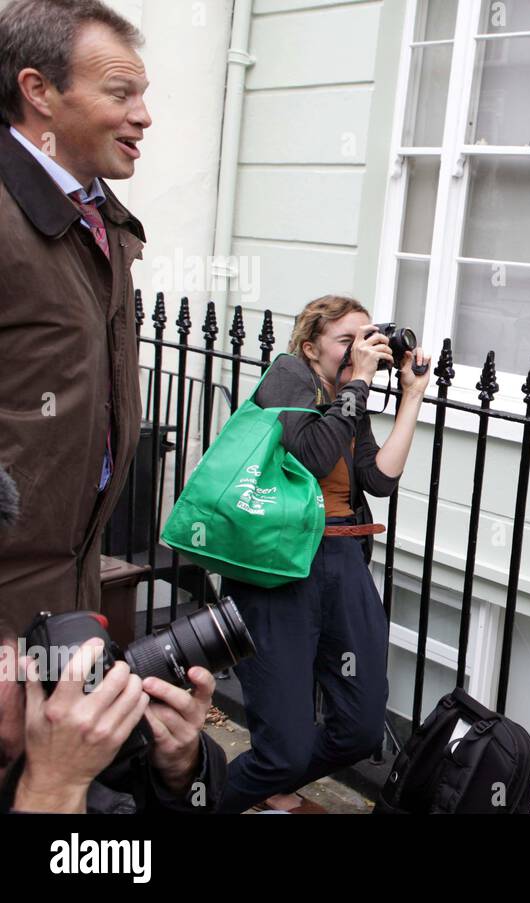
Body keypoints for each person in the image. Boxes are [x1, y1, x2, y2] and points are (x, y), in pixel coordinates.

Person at [217, 296, 430, 814]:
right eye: (347, 341)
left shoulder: (346, 402)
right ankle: (200, 800)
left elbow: (378, 479)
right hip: (278, 566)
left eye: (367, 338)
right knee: (283, 751)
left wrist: (412, 398)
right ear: (311, 347)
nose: (362, 350)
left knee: (360, 731)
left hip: (342, 562)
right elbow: (309, 456)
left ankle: (271, 779)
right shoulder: (288, 376)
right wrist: (357, 383)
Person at [0, 0, 151, 632]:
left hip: (70, 584)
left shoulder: (101, 219)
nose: (143, 117)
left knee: (60, 737)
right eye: (121, 93)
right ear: (37, 90)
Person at [0, 618, 226, 814]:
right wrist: (53, 789)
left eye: (26, 692)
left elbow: (203, 802)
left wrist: (185, 773)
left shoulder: (74, 735)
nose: (49, 719)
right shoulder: (61, 767)